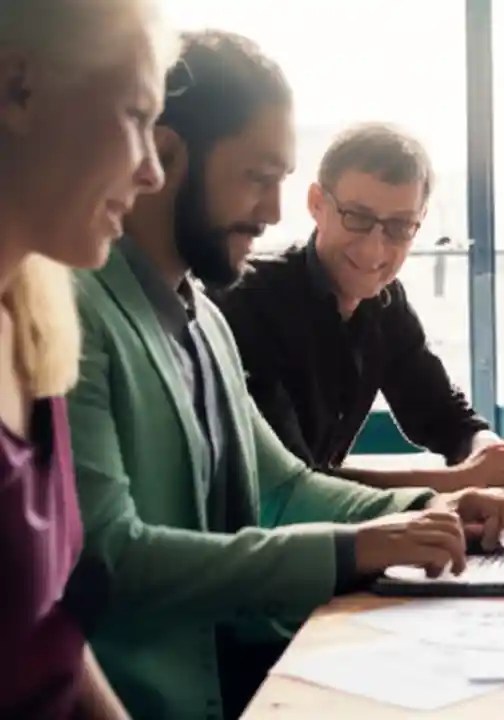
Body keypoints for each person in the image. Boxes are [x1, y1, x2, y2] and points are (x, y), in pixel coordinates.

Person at [66, 31, 504, 719]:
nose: (275, 213)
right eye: (256, 177)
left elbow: (282, 485)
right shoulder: (80, 313)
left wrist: (425, 509)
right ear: (164, 158)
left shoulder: (203, 320)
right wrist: (356, 547)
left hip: (254, 676)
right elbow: (110, 560)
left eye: (279, 181)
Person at [0, 2, 174, 717]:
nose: (153, 174)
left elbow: (52, 646)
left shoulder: (35, 323)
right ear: (17, 90)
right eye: (136, 116)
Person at [212, 123, 504, 492]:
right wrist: (459, 483)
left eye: (399, 226)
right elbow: (288, 484)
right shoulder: (250, 299)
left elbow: (444, 416)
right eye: (357, 218)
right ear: (316, 204)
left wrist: (489, 451)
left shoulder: (385, 302)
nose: (375, 251)